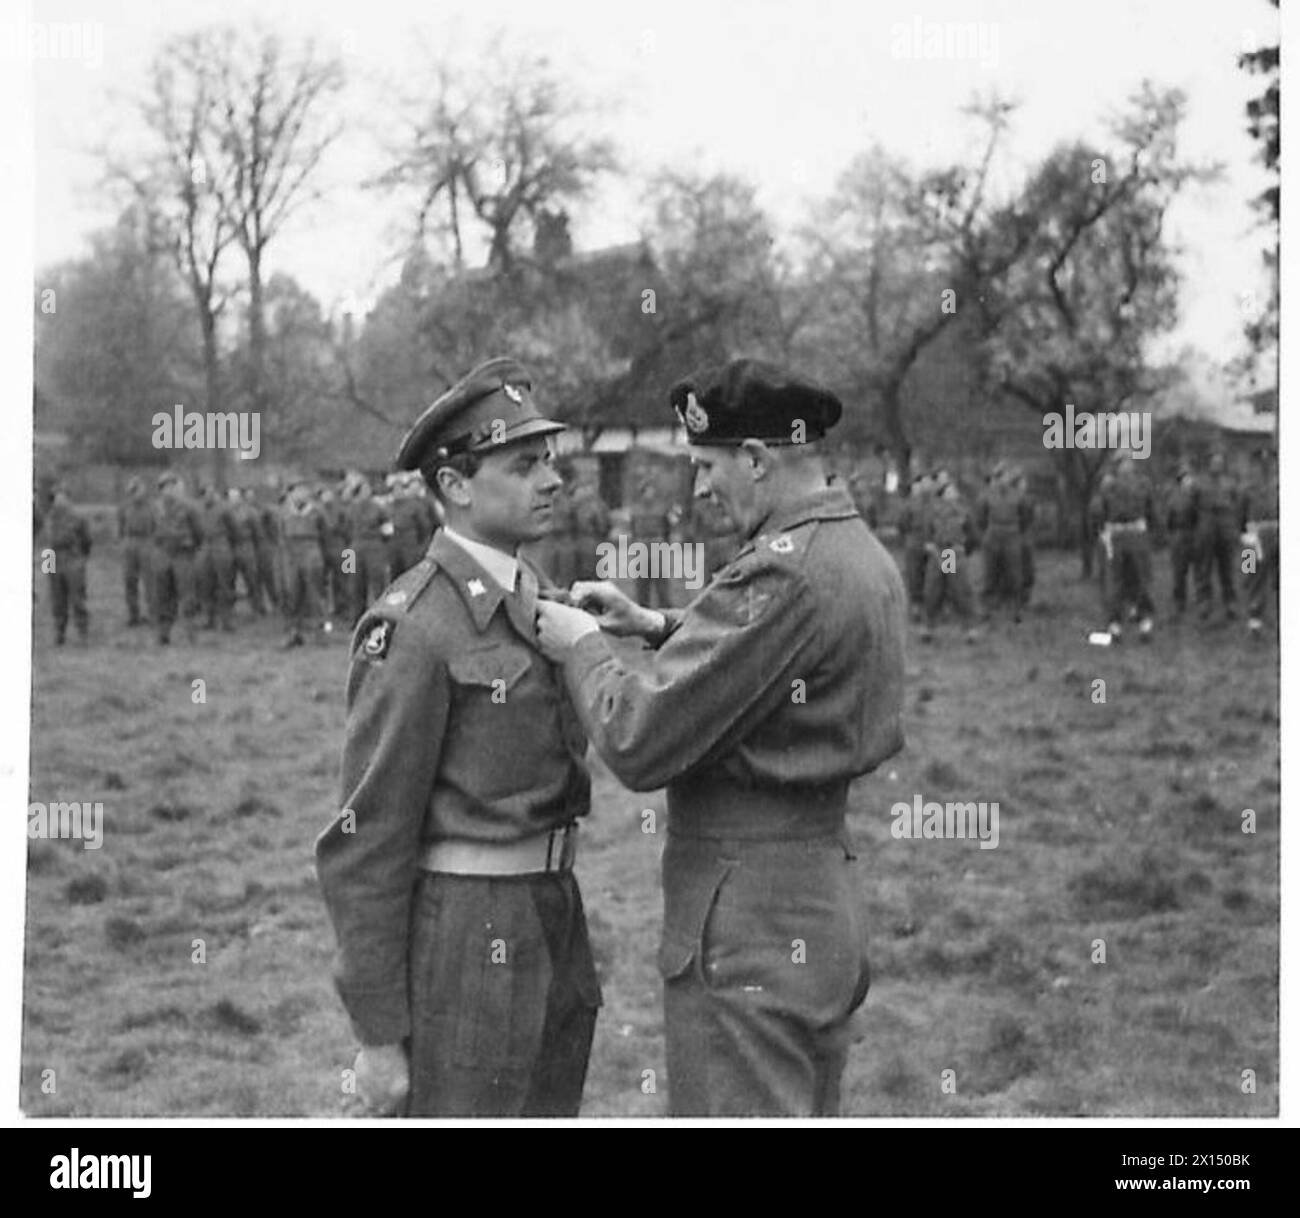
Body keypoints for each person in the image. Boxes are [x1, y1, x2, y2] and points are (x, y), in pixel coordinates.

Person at [537, 357, 904, 1117]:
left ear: (758, 460)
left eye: (707, 465)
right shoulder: (853, 551)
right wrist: (656, 627)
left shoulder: (779, 576)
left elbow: (638, 738)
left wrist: (581, 645)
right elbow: (780, 666)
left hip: (748, 917)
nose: (700, 486)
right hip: (817, 890)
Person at [315, 356, 600, 1118]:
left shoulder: (537, 597)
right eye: (522, 464)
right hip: (471, 936)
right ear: (456, 486)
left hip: (554, 915)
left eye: (548, 461)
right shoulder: (416, 625)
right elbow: (365, 839)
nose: (550, 481)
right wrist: (378, 1037)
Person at [1090, 458, 1155, 641]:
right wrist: (1102, 531)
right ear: (1117, 467)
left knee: (1141, 578)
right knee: (1114, 580)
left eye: (1129, 463)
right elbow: (1097, 512)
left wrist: (1152, 531)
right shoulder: (1108, 487)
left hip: (1136, 534)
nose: (1127, 467)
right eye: (1122, 463)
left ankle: (1144, 621)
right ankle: (1115, 624)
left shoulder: (1144, 485)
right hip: (1115, 536)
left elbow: (1151, 510)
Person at [152, 472, 204, 646]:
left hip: (183, 555)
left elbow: (199, 532)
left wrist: (192, 548)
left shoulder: (189, 507)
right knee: (163, 595)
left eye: (171, 486)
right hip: (164, 555)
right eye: (164, 487)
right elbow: (152, 531)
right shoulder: (157, 508)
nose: (168, 491)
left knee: (187, 595)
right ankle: (163, 633)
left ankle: (191, 633)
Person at [279, 477, 329, 648]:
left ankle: (320, 633)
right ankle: (293, 633)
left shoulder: (317, 512)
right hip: (291, 555)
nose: (301, 495)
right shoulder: (284, 512)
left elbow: (326, 534)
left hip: (312, 552)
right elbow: (280, 536)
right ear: (291, 494)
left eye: (304, 491)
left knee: (316, 595)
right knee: (292, 595)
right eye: (297, 491)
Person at [1194, 452, 1244, 622]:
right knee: (1204, 568)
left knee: (1227, 568)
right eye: (1214, 462)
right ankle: (1204, 603)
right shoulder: (1198, 483)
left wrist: (1234, 529)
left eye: (1219, 462)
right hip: (1206, 526)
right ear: (1208, 464)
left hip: (1225, 526)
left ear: (1223, 465)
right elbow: (1192, 506)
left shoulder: (1230, 483)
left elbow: (1237, 504)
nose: (1216, 465)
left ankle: (1230, 603)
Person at [41, 483, 92, 645]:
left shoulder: (78, 517)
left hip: (72, 558)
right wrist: (47, 568)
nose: (57, 500)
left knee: (77, 598)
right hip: (52, 557)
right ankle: (59, 631)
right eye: (54, 497)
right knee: (57, 598)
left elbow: (87, 540)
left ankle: (82, 631)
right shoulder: (49, 517)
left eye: (60, 496)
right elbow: (46, 542)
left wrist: (81, 559)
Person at [1243, 448, 1278, 638]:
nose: (1265, 466)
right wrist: (1244, 535)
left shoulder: (1280, 484)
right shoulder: (1247, 488)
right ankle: (1254, 619)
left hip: (1277, 531)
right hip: (1254, 534)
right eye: (1261, 463)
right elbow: (1239, 516)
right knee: (1251, 573)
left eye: (1269, 462)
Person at [118, 476, 155, 627]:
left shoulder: (151, 507)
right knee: (129, 580)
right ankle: (133, 614)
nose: (136, 493)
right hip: (130, 543)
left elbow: (156, 525)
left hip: (146, 542)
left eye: (138, 489)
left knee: (150, 581)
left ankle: (153, 614)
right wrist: (123, 543)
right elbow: (121, 526)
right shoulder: (125, 507)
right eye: (133, 490)